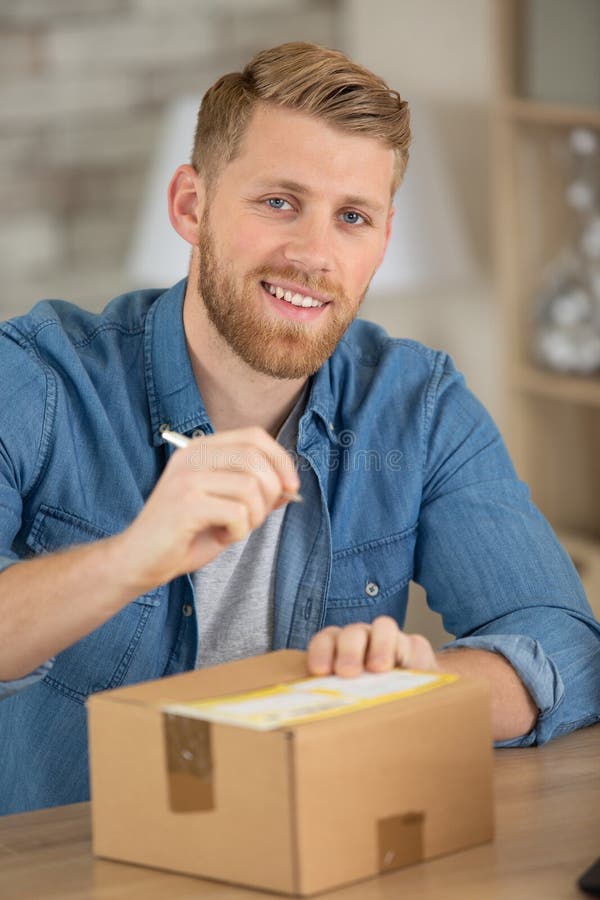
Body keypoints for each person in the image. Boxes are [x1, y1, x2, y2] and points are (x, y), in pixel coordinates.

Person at [0, 42, 598, 816]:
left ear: (381, 243)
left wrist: (412, 691)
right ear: (190, 205)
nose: (314, 254)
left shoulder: (419, 403)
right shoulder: (35, 377)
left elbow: (568, 645)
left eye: (352, 217)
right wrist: (130, 558)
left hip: (310, 856)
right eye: (279, 202)